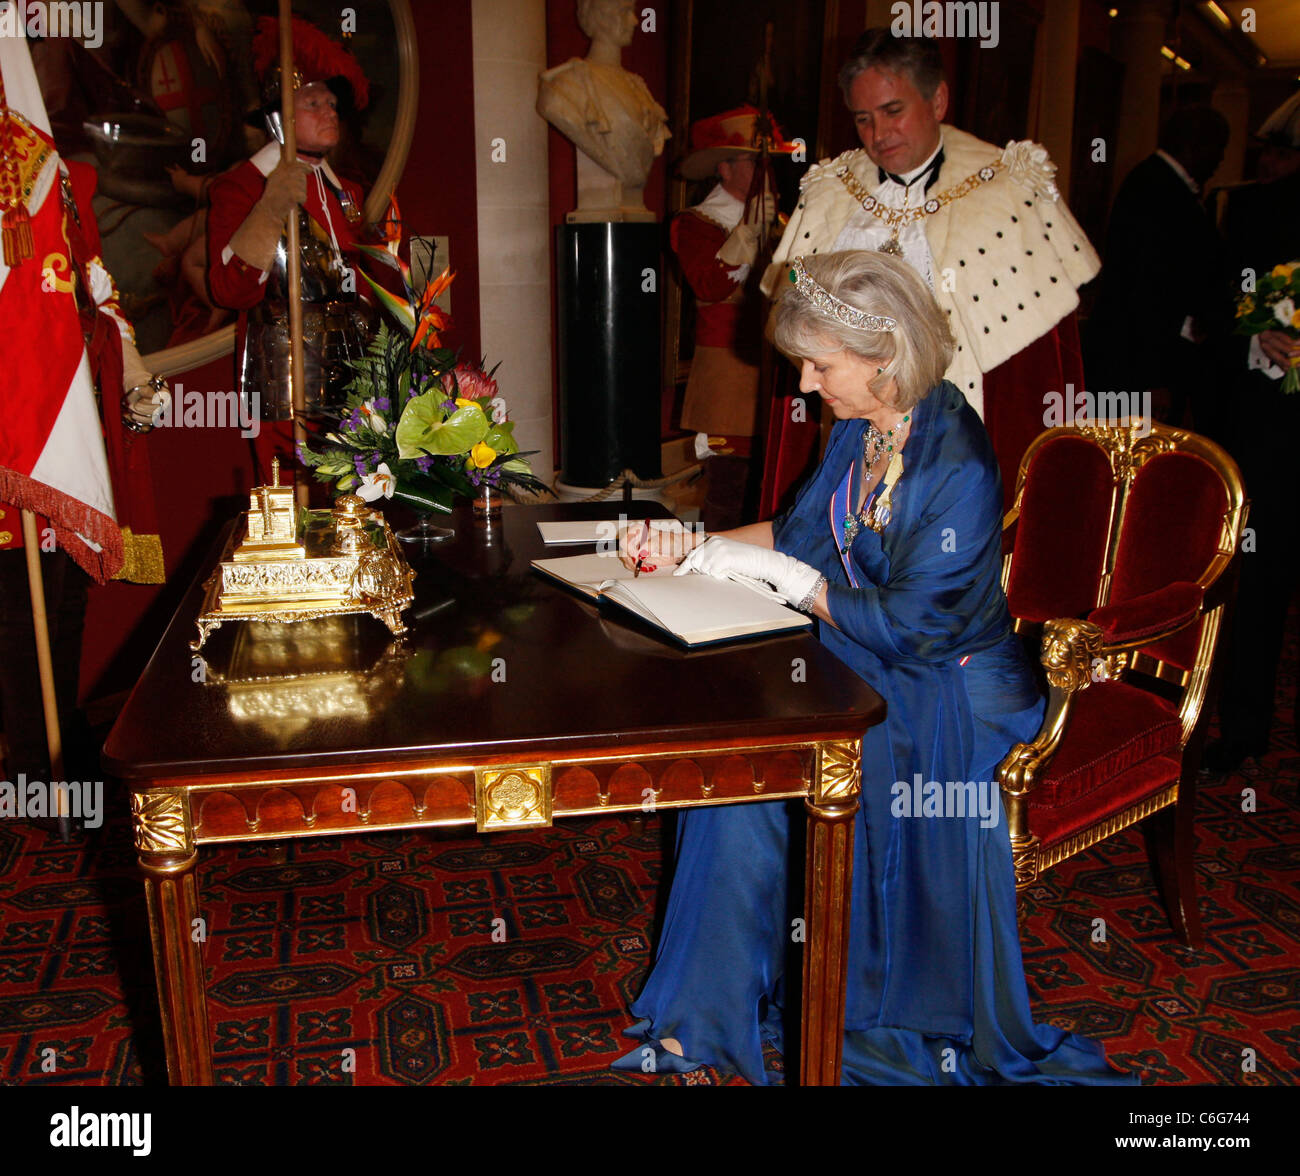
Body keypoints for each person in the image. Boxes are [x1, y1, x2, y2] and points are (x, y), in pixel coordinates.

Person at [614, 251, 1135, 1085]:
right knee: (735, 778)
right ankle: (699, 1020)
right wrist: (691, 547)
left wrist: (801, 587)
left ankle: (867, 1008)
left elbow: (913, 625)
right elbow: (798, 535)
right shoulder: (863, 429)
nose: (809, 384)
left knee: (796, 765)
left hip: (955, 694)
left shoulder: (952, 458)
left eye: (822, 365)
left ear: (885, 355)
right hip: (868, 662)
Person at [761, 30, 1098, 510]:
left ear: (937, 99)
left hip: (954, 437)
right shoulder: (830, 193)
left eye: (893, 111)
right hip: (846, 433)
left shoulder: (1007, 190)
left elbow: (1035, 376)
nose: (879, 135)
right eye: (863, 119)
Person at [206, 14, 374, 469]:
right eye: (314, 103)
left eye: (332, 104)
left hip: (353, 372)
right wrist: (269, 208)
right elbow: (228, 289)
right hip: (283, 371)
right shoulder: (243, 187)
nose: (330, 111)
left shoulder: (346, 192)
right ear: (279, 115)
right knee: (289, 512)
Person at [1203, 91, 1300, 774]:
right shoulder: (1263, 207)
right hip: (1275, 431)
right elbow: (1224, 302)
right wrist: (1254, 337)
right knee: (1259, 582)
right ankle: (1242, 727)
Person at [673, 105, 792, 529]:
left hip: (777, 368)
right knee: (729, 489)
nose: (764, 170)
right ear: (724, 168)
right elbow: (710, 285)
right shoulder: (697, 223)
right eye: (752, 161)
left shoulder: (780, 220)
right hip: (726, 374)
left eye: (767, 161)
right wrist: (746, 234)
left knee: (777, 483)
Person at [1085, 107, 1230, 434]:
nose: (1220, 159)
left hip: (1140, 362)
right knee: (1131, 455)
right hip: (1135, 369)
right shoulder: (1157, 190)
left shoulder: (1158, 183)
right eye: (1219, 148)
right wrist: (1152, 380)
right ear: (1195, 144)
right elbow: (1144, 291)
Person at [536, 0, 670, 219]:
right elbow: (553, 107)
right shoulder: (567, 84)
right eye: (625, 12)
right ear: (599, 16)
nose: (635, 21)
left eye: (634, 13)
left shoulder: (638, 87)